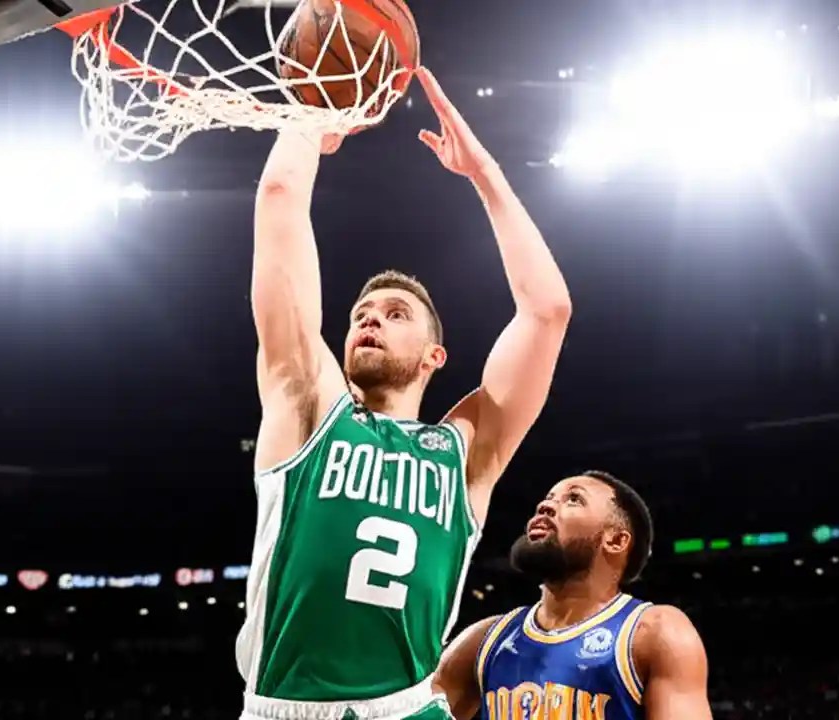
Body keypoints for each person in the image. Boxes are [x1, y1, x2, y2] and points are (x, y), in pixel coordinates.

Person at [236, 67, 572, 720]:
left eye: (394, 314)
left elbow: (548, 312)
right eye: (363, 311)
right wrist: (310, 116)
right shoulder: (309, 409)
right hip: (286, 707)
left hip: (407, 708)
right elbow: (279, 195)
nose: (369, 318)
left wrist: (483, 173)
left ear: (433, 357)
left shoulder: (465, 451)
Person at [432, 473, 712, 720]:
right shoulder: (486, 639)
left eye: (574, 499)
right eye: (549, 497)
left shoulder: (654, 632)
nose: (545, 505)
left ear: (615, 541)